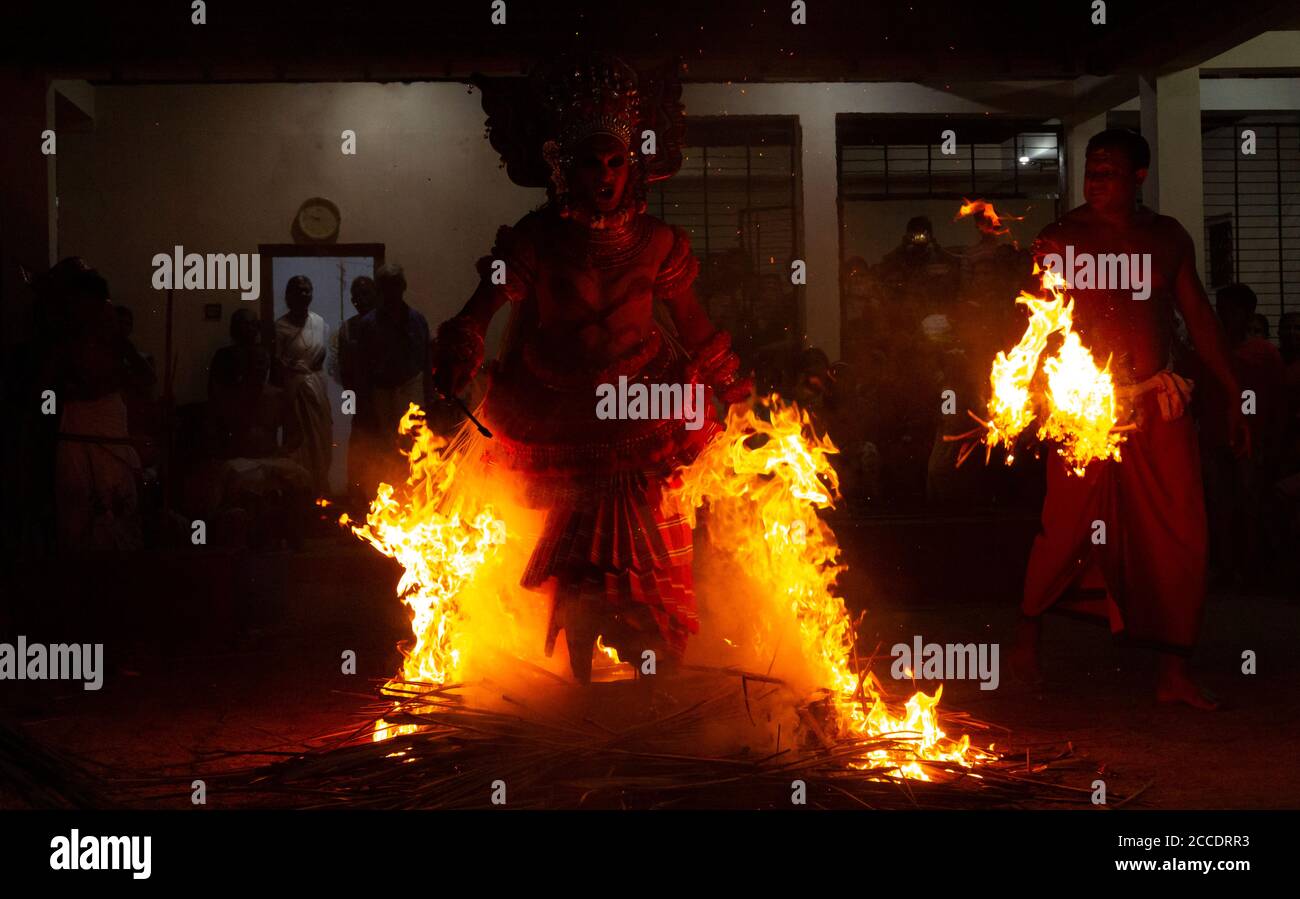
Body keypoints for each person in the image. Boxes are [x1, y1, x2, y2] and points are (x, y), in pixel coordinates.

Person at [434, 54, 750, 682]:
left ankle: (655, 669)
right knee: (578, 561)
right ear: (563, 167)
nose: (604, 176)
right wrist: (462, 342)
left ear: (633, 166)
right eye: (590, 162)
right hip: (560, 411)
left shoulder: (660, 242)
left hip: (644, 411)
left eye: (615, 162)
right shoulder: (534, 240)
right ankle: (576, 680)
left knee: (648, 554)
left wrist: (732, 386)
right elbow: (478, 311)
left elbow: (692, 326)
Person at [1007, 129, 1250, 709]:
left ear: (1139, 177)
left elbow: (1201, 320)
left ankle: (1173, 674)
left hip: (1155, 400)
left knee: (1181, 530)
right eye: (1092, 170)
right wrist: (1026, 393)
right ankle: (1025, 643)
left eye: (1110, 171)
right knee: (1064, 525)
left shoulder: (1165, 239)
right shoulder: (1061, 237)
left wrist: (1236, 393)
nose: (1096, 180)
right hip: (1085, 409)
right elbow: (1035, 329)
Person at [353, 264, 431, 486]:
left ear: (403, 287)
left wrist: (430, 396)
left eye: (395, 286)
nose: (391, 292)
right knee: (387, 444)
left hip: (411, 387)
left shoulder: (417, 320)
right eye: (386, 287)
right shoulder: (368, 324)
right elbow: (362, 366)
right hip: (381, 392)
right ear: (380, 289)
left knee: (415, 443)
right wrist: (364, 402)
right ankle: (391, 493)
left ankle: (415, 492)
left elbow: (426, 361)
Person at [273, 275, 333, 496]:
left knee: (322, 440)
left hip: (317, 389)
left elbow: (321, 356)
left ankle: (320, 492)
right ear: (289, 296)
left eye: (308, 290)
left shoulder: (319, 323)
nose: (304, 295)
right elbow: (277, 364)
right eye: (299, 291)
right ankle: (300, 495)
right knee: (299, 442)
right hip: (295, 392)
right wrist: (295, 371)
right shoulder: (280, 327)